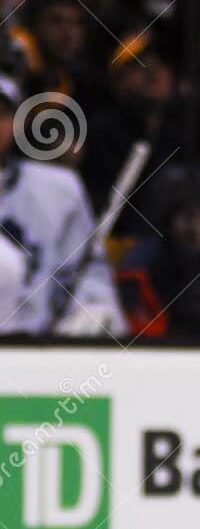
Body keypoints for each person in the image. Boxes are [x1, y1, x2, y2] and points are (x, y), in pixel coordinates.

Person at [0, 69, 125, 337]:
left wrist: (92, 309)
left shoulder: (59, 190)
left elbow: (87, 272)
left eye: (1, 114)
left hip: (41, 353)